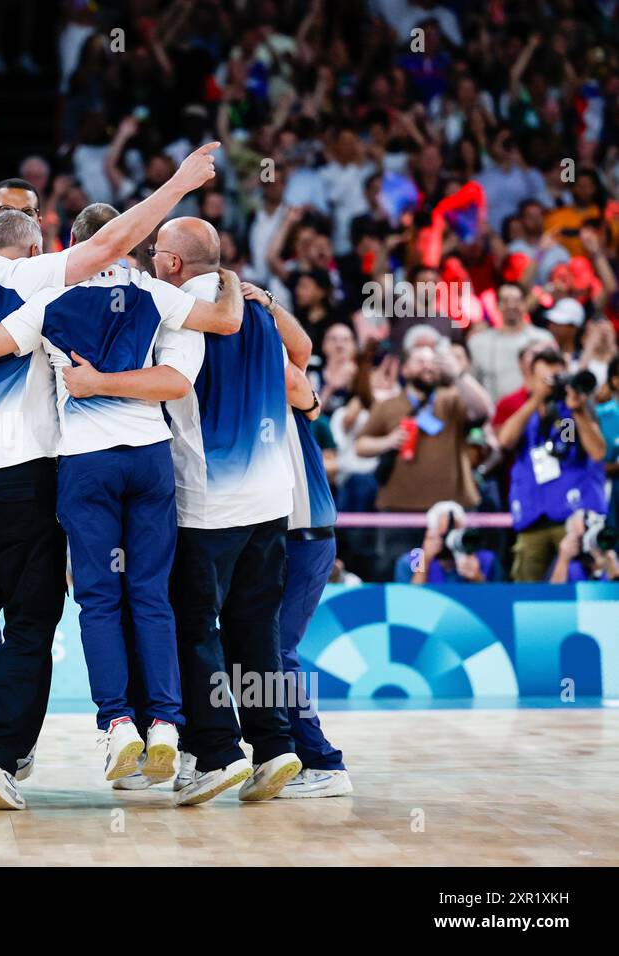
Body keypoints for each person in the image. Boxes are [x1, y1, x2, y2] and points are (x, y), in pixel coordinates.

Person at [0, 142, 224, 810]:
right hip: (26, 480)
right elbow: (115, 239)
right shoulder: (41, 281)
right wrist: (178, 182)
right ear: (31, 247)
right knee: (30, 624)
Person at [0, 203, 243, 790]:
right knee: (151, 597)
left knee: (100, 601)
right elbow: (227, 322)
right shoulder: (155, 292)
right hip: (150, 459)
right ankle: (165, 725)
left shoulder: (51, 299)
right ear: (124, 246)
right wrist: (228, 277)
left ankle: (119, 723)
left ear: (77, 245)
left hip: (86, 466)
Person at [146, 217, 302, 806]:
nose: (151, 260)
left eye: (156, 252)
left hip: (209, 505)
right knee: (256, 630)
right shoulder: (259, 311)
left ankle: (217, 753)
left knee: (196, 631)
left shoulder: (178, 314)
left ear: (175, 265)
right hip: (271, 500)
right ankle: (276, 746)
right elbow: (298, 372)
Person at [250, 284, 353, 798]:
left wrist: (266, 306)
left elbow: (302, 355)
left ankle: (325, 762)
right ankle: (279, 754)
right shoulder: (245, 390)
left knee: (279, 651)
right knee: (257, 650)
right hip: (274, 535)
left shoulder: (288, 385)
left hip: (306, 534)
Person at [497, 349, 607, 582]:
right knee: (528, 594)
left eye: (557, 377)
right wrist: (535, 399)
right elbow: (505, 440)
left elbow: (597, 452)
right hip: (533, 518)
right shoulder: (528, 414)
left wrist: (577, 409)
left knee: (579, 581)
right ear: (531, 380)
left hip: (574, 520)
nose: (552, 384)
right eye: (545, 379)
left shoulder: (576, 411)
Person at [355, 343, 489, 512]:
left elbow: (483, 411)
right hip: (399, 507)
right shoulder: (387, 405)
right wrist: (388, 442)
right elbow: (360, 446)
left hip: (453, 505)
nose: (427, 366)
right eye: (420, 361)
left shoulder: (452, 399)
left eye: (432, 362)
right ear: (404, 369)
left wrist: (458, 375)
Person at [467, 284, 553, 403]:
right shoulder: (479, 343)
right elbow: (473, 384)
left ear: (524, 304)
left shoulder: (543, 339)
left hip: (532, 414)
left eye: (517, 301)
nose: (511, 305)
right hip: (495, 415)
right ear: (497, 305)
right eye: (505, 301)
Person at [397, 500, 502, 584]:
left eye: (457, 532)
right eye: (445, 534)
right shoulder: (413, 560)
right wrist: (424, 561)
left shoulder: (486, 560)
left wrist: (478, 578)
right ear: (430, 534)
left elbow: (499, 604)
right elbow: (410, 604)